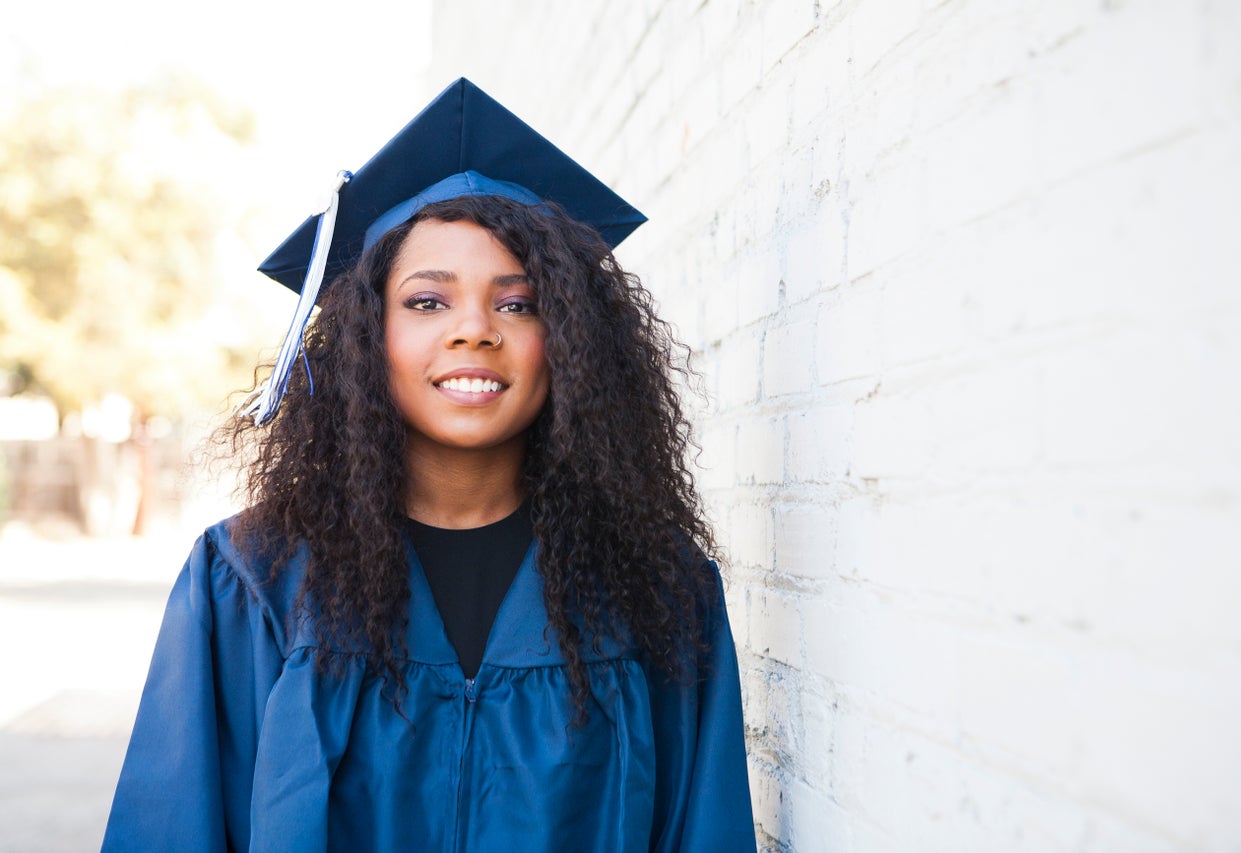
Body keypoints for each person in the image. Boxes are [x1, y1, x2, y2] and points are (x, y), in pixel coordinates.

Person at [102, 78, 756, 851]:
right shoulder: (252, 581)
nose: (474, 329)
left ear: (571, 341)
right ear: (365, 335)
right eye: (427, 302)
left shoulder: (659, 594)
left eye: (518, 303)